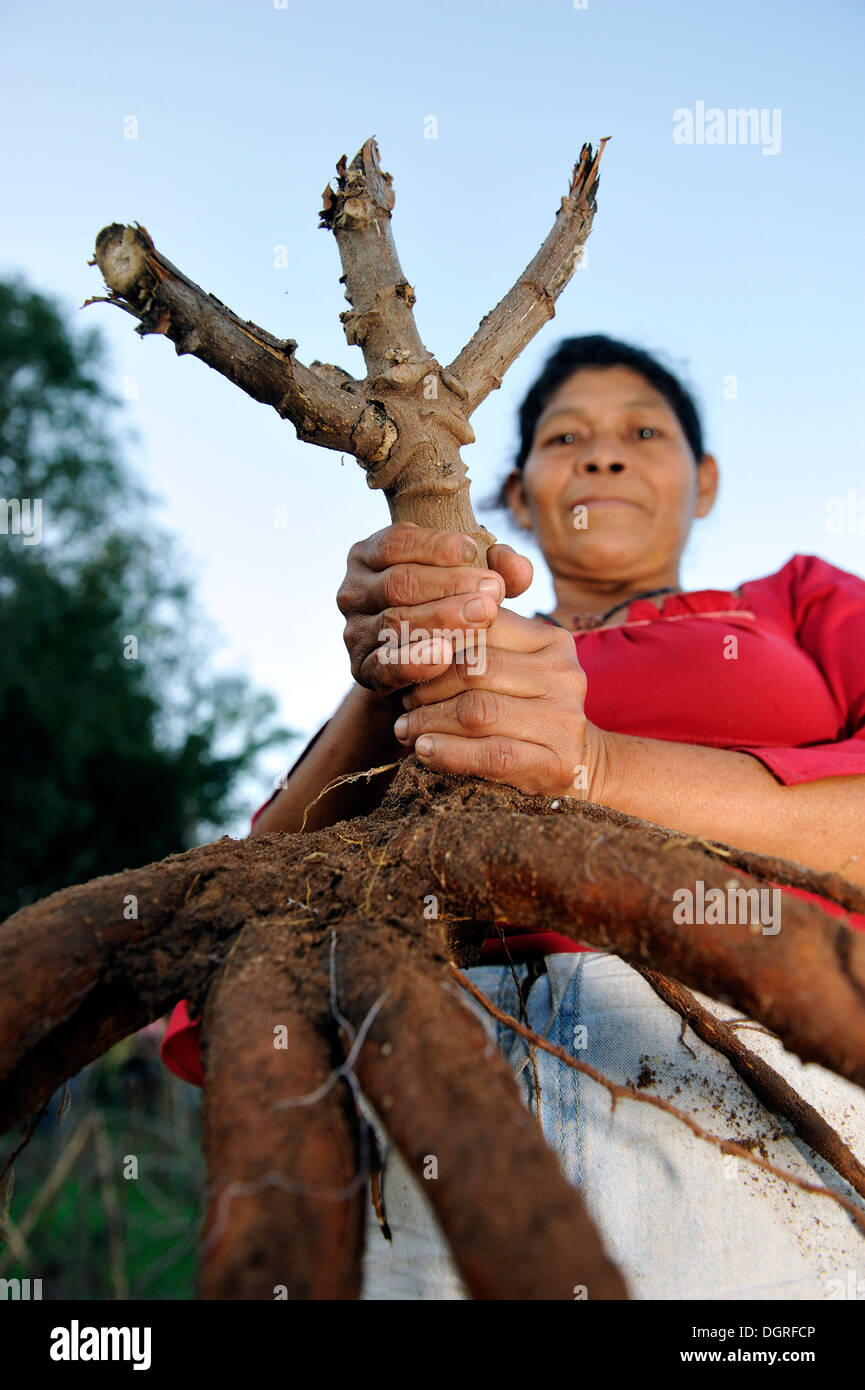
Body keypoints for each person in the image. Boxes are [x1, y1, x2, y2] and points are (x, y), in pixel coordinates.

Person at [161, 334, 865, 1300]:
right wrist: (392, 677)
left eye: (641, 432)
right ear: (517, 493)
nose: (602, 454)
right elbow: (249, 907)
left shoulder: (794, 605)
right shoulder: (454, 651)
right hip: (424, 1078)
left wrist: (594, 764)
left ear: (702, 483)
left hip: (765, 1074)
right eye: (564, 436)